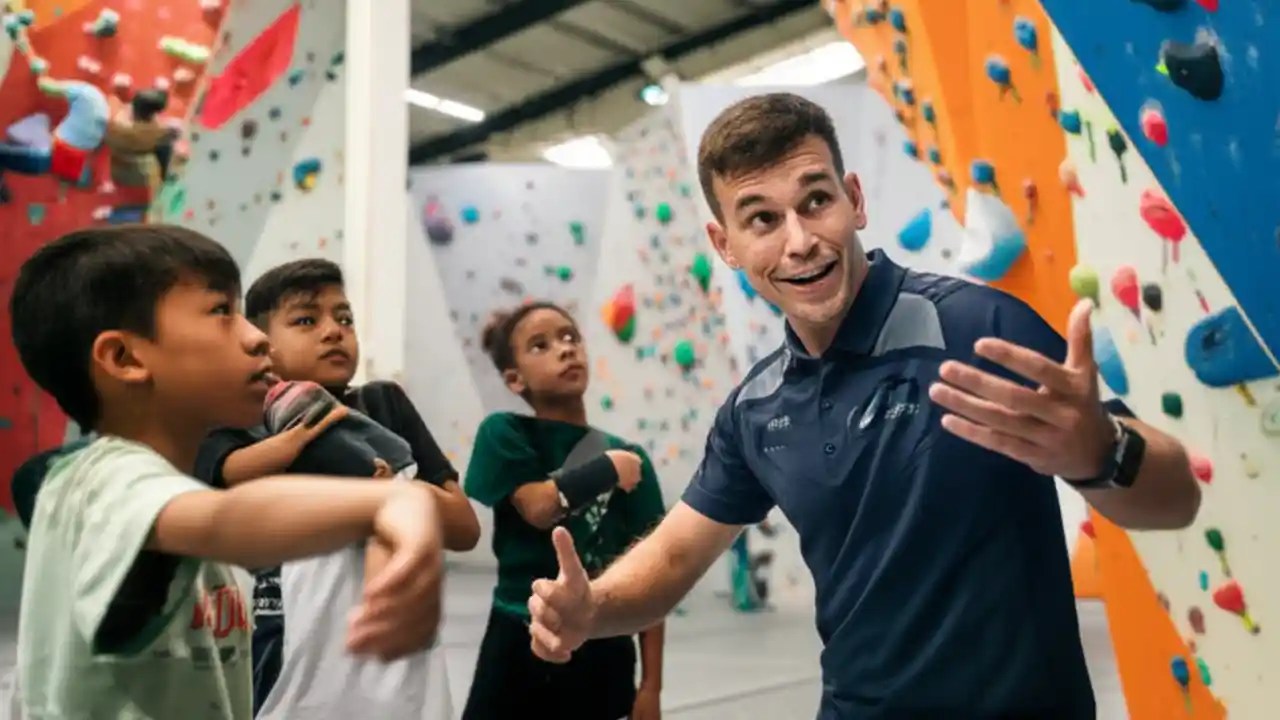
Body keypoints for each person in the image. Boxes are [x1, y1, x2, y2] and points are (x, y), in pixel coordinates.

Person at [525, 93, 1202, 718]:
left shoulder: (978, 328)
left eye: (815, 201)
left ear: (854, 200)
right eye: (762, 218)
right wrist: (593, 609)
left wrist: (1101, 452)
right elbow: (673, 560)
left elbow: (1176, 499)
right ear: (724, 245)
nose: (798, 240)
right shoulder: (755, 409)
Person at [8, 224, 444, 719]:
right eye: (222, 312)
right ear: (125, 358)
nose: (259, 340)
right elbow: (224, 522)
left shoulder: (173, 492)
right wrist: (392, 501)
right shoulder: (102, 478)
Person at [194, 257, 479, 718]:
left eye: (344, 318)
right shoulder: (243, 419)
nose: (333, 330)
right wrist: (296, 440)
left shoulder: (383, 405)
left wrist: (397, 494)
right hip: (294, 644)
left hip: (401, 650)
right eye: (307, 320)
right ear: (262, 342)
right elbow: (223, 479)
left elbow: (465, 528)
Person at [462, 302, 667, 720]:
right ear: (514, 379)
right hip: (519, 635)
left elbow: (654, 575)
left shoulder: (632, 456)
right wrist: (607, 468)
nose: (565, 349)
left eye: (571, 337)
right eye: (541, 345)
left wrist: (651, 687)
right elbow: (538, 507)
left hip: (603, 642)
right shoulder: (504, 432)